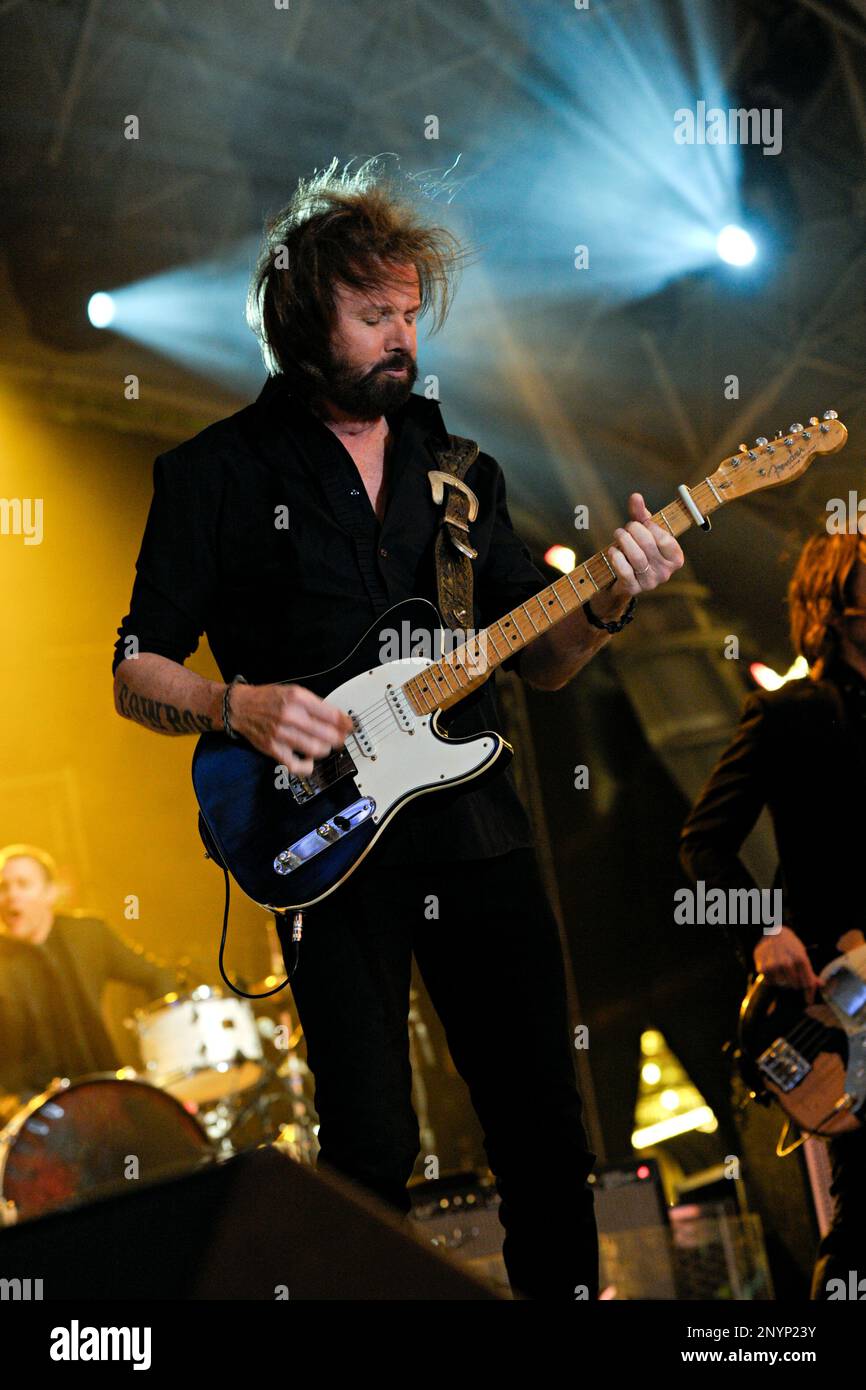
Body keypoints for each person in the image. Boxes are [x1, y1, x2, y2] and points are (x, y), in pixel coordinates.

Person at [112, 157, 684, 1299]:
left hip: (478, 833)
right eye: (373, 313)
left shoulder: (460, 475)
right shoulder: (213, 475)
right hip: (322, 845)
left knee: (543, 1129)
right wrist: (233, 704)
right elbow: (135, 670)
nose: (401, 337)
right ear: (299, 316)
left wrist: (612, 596)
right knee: (369, 1143)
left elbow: (549, 658)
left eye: (410, 314)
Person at [680, 529, 866, 1299]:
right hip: (843, 1000)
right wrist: (763, 931)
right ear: (836, 607)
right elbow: (703, 845)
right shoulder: (788, 714)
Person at [0, 844, 177, 1124]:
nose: (11, 895)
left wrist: (161, 1048)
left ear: (50, 892)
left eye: (23, 884)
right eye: (3, 887)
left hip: (107, 1089)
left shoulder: (88, 935)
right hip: (32, 1113)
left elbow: (157, 976)